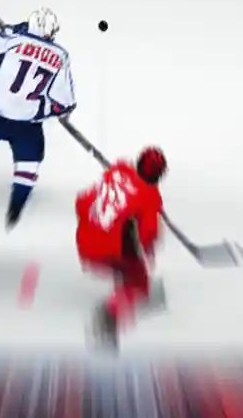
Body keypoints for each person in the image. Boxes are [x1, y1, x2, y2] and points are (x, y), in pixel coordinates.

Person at [0, 8, 76, 228]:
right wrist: (55, 109)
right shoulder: (60, 56)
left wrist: (8, 33)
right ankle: (15, 210)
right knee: (28, 166)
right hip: (27, 122)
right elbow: (64, 100)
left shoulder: (14, 40)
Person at [75, 146, 168, 350]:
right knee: (139, 283)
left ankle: (116, 307)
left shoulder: (118, 169)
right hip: (109, 250)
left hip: (85, 241)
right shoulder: (150, 196)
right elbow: (149, 235)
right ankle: (108, 315)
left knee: (127, 261)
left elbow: (82, 201)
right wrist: (149, 253)